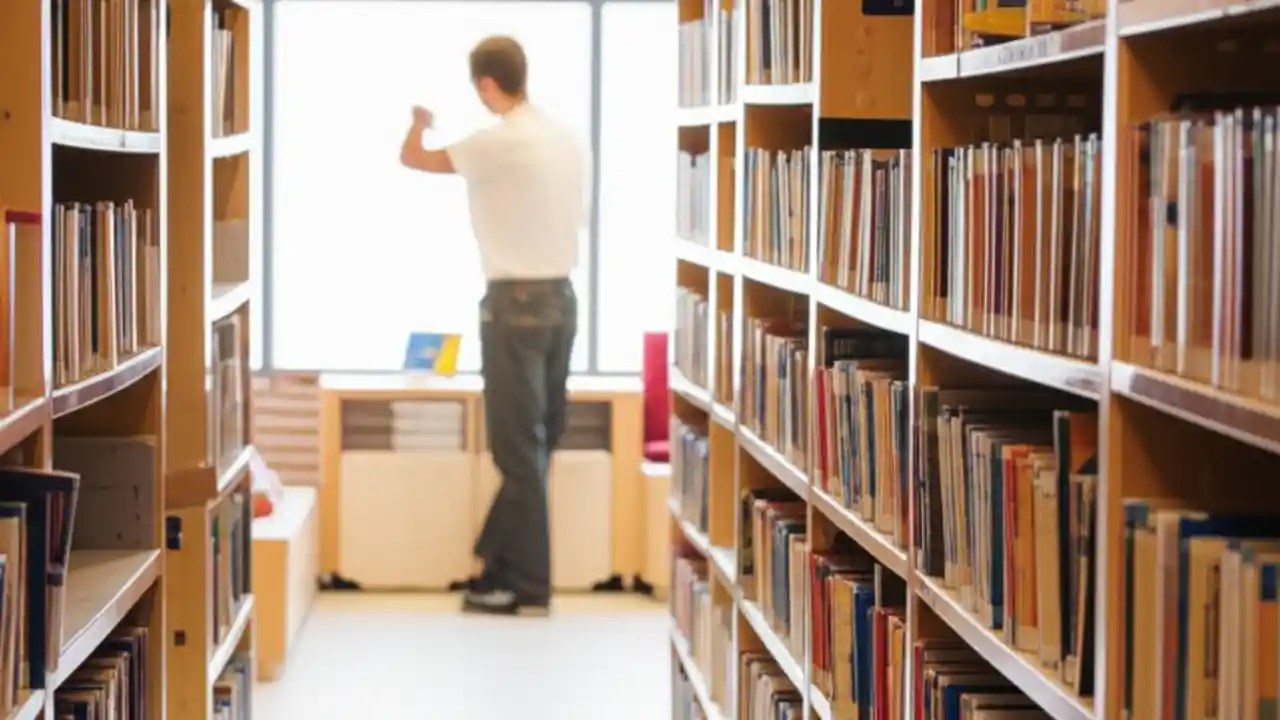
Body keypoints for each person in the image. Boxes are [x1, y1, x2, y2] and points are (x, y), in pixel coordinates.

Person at [398, 35, 585, 616]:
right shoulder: (563, 138)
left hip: (512, 308)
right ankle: (496, 567)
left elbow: (415, 159)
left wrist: (417, 123)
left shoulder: (494, 143)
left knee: (515, 452)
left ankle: (527, 587)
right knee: (541, 444)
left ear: (486, 85)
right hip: (562, 301)